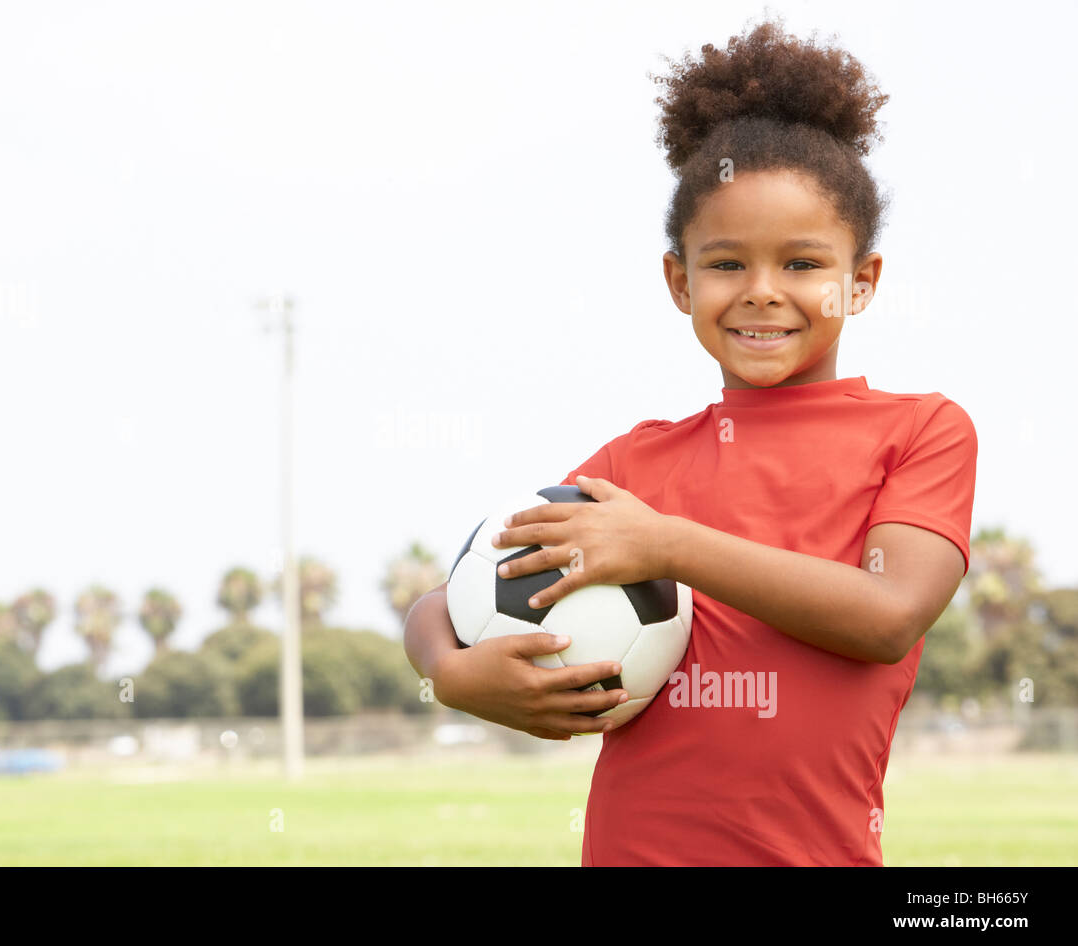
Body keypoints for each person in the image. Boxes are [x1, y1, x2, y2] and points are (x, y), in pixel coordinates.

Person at [402, 15, 977, 866]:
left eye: (804, 264)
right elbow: (458, 594)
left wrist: (665, 541)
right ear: (680, 280)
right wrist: (446, 670)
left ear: (862, 283)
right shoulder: (631, 470)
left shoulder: (921, 431)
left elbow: (887, 617)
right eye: (727, 263)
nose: (762, 292)